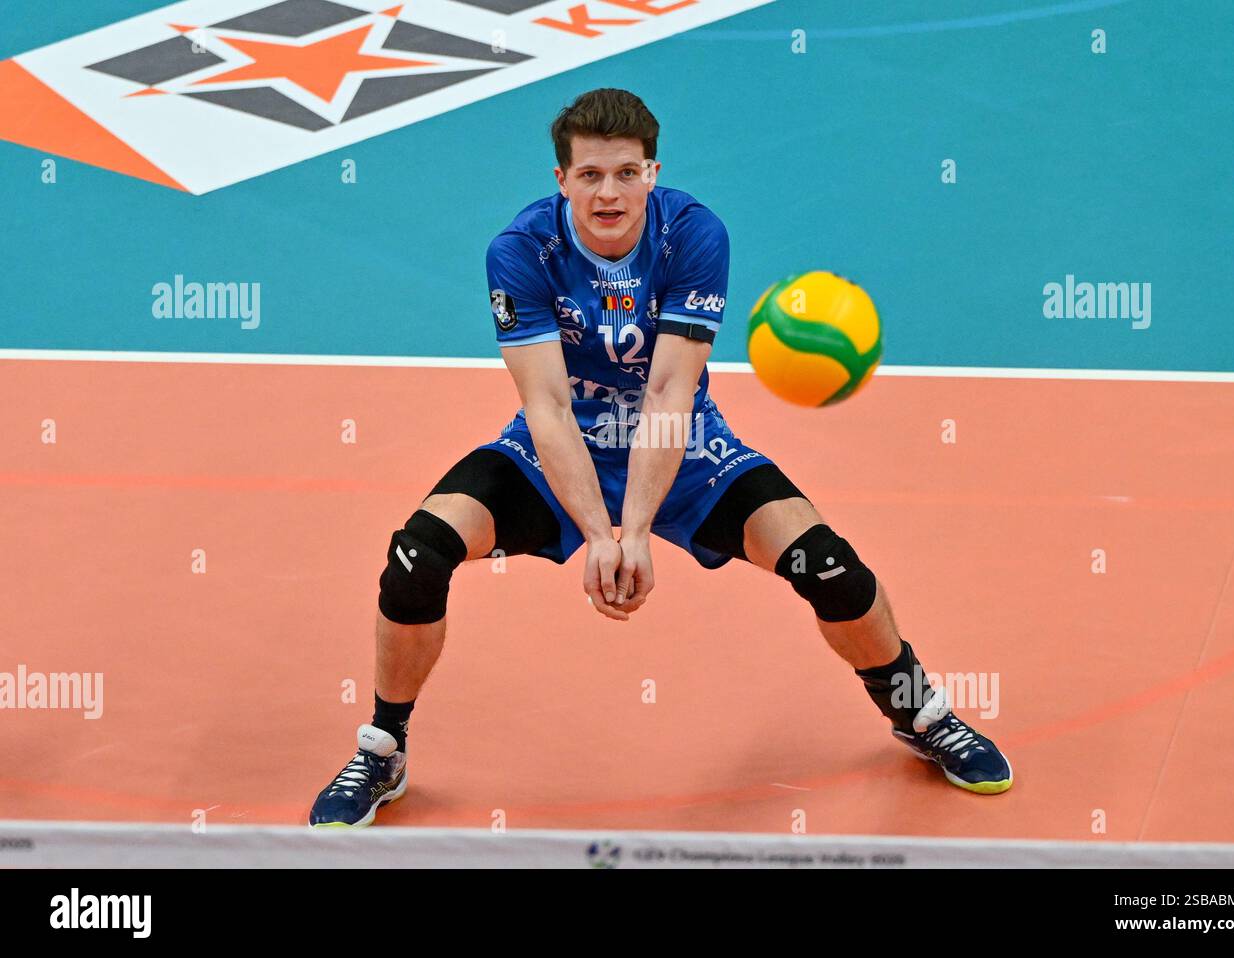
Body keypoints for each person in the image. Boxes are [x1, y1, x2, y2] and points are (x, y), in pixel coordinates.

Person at [309, 88, 1012, 828]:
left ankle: (920, 713)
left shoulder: (692, 235)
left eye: (625, 173)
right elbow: (546, 407)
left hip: (690, 452)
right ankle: (384, 747)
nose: (608, 192)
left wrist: (634, 530)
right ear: (561, 181)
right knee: (416, 555)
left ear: (652, 172)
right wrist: (598, 531)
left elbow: (670, 395)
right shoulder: (520, 252)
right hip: (554, 452)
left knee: (829, 566)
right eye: (589, 176)